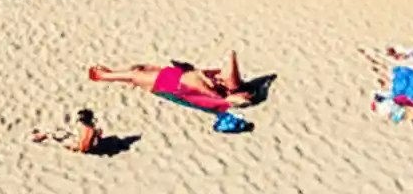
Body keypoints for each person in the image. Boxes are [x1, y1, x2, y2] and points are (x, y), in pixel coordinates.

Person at [88, 51, 253, 108]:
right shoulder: (210, 78)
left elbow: (219, 100)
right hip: (174, 76)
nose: (218, 79)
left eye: (221, 82)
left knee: (137, 76)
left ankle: (105, 76)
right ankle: (111, 74)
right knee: (141, 70)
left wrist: (231, 98)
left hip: (171, 83)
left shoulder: (208, 88)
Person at [32, 109, 103, 154]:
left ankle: (41, 137)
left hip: (78, 146)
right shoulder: (92, 128)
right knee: (63, 134)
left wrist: (74, 146)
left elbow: (82, 144)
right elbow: (95, 141)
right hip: (86, 147)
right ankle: (44, 136)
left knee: (56, 135)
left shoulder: (85, 127)